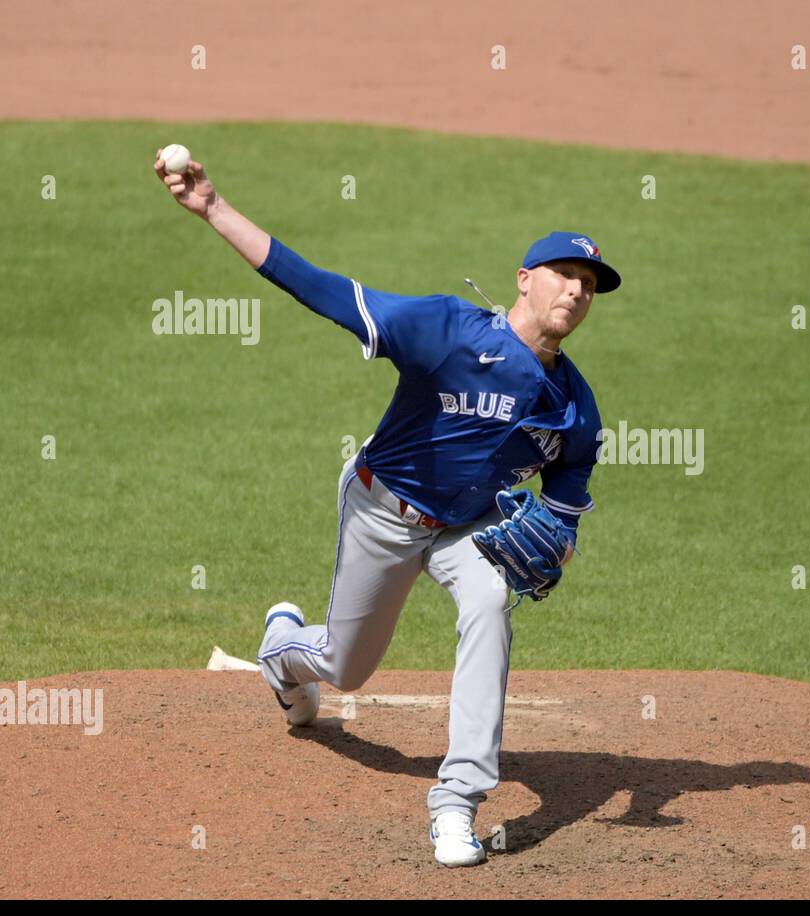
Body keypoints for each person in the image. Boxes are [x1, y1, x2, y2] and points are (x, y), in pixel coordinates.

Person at [153, 150, 620, 867]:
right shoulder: (449, 330)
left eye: (589, 284)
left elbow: (561, 518)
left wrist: (556, 547)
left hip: (469, 526)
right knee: (347, 667)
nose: (577, 291)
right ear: (524, 281)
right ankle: (284, 654)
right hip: (384, 509)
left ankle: (456, 803)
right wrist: (214, 208)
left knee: (491, 603)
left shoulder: (576, 411)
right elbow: (320, 288)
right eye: (564, 274)